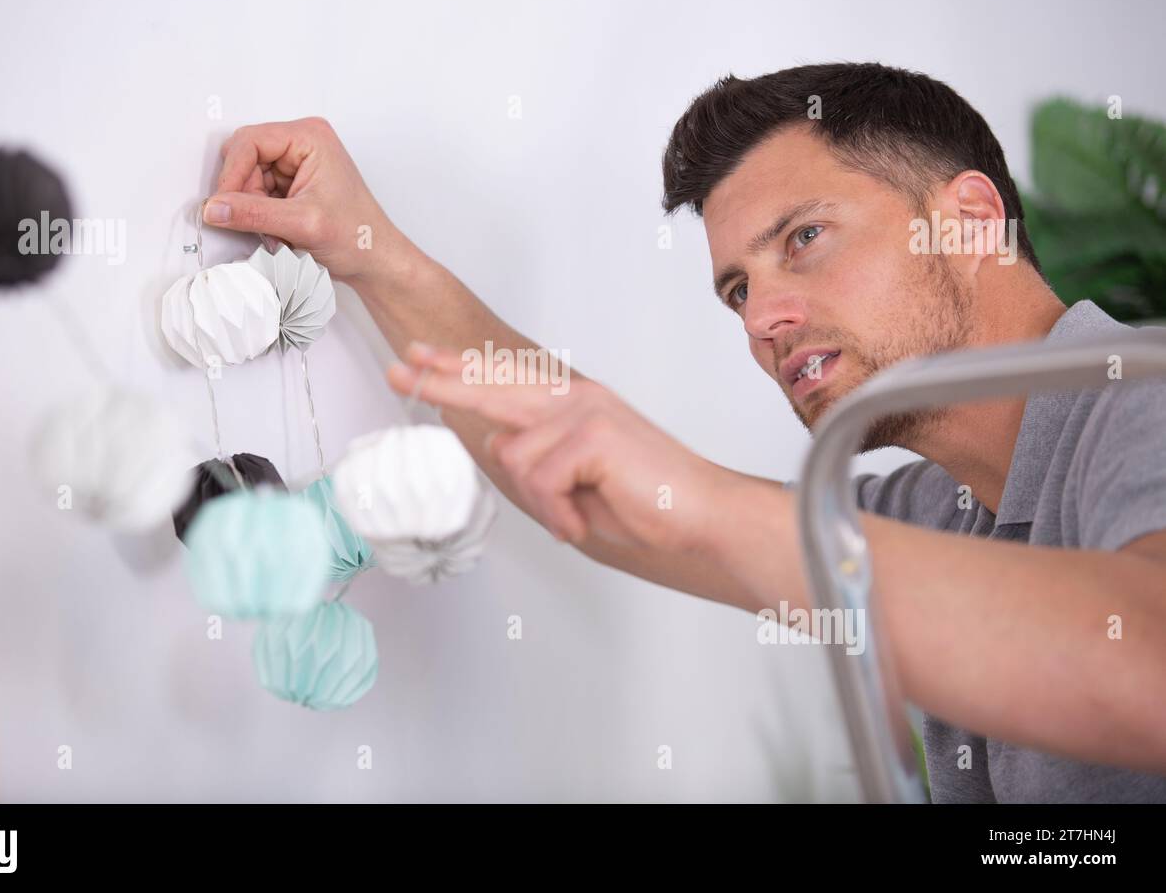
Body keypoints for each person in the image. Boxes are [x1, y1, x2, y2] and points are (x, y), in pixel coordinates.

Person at [201, 62, 1166, 803]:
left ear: (966, 219)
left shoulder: (1145, 398)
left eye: (804, 239)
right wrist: (371, 252)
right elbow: (624, 506)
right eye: (738, 288)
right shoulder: (938, 512)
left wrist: (707, 505)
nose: (761, 319)